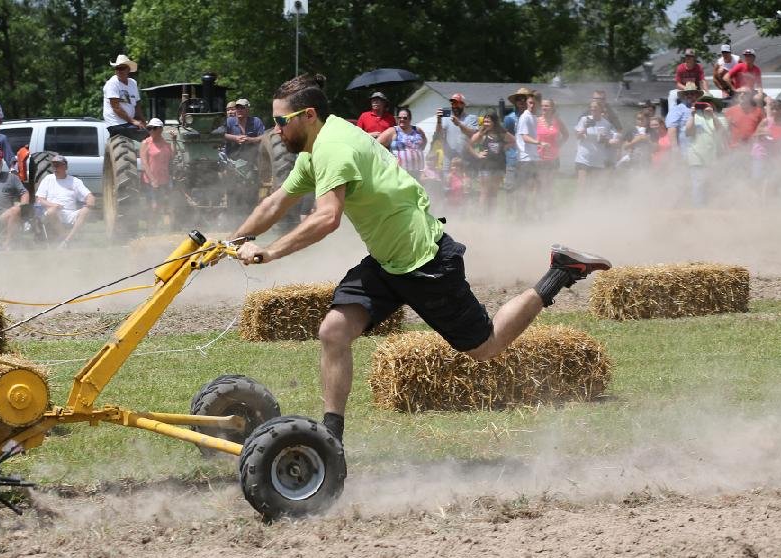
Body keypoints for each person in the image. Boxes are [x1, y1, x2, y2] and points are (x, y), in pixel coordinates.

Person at [229, 74, 611, 444]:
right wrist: (231, 241)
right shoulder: (315, 150)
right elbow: (277, 201)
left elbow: (328, 217)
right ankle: (331, 439)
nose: (276, 129)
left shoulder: (333, 147)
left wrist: (271, 251)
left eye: (281, 121)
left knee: (486, 347)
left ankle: (559, 272)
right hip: (388, 261)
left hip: (425, 260)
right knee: (333, 330)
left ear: (308, 115)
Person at [35, 154, 94, 248]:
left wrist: (89, 204)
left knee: (86, 211)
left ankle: (66, 241)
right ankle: (66, 239)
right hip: (53, 212)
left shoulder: (75, 181)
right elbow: (39, 199)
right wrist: (53, 205)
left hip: (71, 214)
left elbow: (89, 196)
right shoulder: (48, 179)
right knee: (52, 211)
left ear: (65, 167)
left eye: (58, 165)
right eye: (53, 165)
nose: (55, 168)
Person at [466, 110, 513, 213]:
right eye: (485, 121)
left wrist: (505, 146)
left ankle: (491, 216)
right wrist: (477, 154)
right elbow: (469, 145)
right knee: (484, 192)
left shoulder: (502, 133)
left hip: (499, 166)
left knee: (494, 192)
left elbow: (513, 141)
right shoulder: (482, 134)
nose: (486, 123)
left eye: (488, 121)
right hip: (485, 166)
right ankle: (482, 216)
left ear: (494, 122)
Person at [684, 95, 725, 205]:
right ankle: (698, 208)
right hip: (696, 155)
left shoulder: (719, 117)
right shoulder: (695, 116)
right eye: (704, 102)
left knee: (712, 182)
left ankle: (711, 206)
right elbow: (688, 132)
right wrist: (692, 115)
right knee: (698, 183)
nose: (706, 104)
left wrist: (712, 115)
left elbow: (721, 131)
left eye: (709, 103)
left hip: (713, 156)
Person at [573, 101, 620, 192]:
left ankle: (593, 205)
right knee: (581, 187)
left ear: (601, 109)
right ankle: (579, 205)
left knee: (594, 189)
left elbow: (611, 141)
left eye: (595, 107)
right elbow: (577, 136)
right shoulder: (584, 119)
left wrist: (609, 140)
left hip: (598, 160)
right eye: (591, 107)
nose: (593, 109)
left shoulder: (606, 124)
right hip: (583, 158)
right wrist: (584, 129)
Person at [377, 107, 427, 180]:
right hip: (400, 172)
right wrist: (385, 160)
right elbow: (376, 144)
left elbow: (424, 143)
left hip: (417, 172)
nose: (402, 120)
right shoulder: (393, 131)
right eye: (399, 118)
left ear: (410, 119)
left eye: (405, 118)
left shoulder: (417, 130)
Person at [103, 53, 146, 137]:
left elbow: (137, 105)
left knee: (148, 134)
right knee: (147, 139)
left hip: (128, 122)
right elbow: (116, 107)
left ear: (128, 69)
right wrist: (133, 121)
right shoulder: (112, 83)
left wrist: (143, 121)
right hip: (116, 123)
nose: (119, 70)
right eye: (117, 68)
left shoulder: (133, 83)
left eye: (122, 68)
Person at [432, 93, 478, 169]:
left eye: (457, 103)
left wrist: (459, 124)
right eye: (453, 103)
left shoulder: (471, 118)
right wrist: (439, 120)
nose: (454, 106)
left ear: (463, 104)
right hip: (448, 161)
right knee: (447, 180)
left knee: (465, 181)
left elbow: (473, 135)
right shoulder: (446, 118)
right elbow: (438, 134)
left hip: (466, 160)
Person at [514, 92, 545, 208]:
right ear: (527, 103)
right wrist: (539, 143)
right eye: (530, 103)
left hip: (535, 158)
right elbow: (524, 137)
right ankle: (522, 216)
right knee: (524, 189)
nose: (532, 105)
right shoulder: (525, 117)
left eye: (534, 103)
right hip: (525, 159)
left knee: (537, 188)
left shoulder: (535, 117)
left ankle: (534, 212)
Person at [140, 118, 174, 216]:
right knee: (153, 206)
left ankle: (163, 228)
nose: (151, 130)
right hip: (150, 181)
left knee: (164, 205)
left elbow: (172, 156)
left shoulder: (165, 143)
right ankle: (151, 228)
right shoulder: (145, 143)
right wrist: (153, 180)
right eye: (149, 128)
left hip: (164, 179)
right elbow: (145, 164)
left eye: (153, 128)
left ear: (160, 129)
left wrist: (174, 141)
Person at [536, 98, 568, 202]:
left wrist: (559, 145)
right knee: (540, 185)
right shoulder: (536, 120)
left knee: (549, 185)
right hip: (539, 158)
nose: (544, 108)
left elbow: (566, 135)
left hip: (553, 158)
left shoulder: (557, 121)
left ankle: (548, 208)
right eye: (542, 106)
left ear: (552, 108)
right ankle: (538, 209)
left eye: (547, 106)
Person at [750, 99, 781, 194]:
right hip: (760, 153)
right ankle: (757, 200)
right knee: (758, 178)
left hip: (774, 156)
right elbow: (754, 135)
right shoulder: (766, 121)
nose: (775, 111)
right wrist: (763, 132)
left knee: (771, 179)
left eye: (778, 109)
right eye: (773, 109)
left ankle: (767, 201)